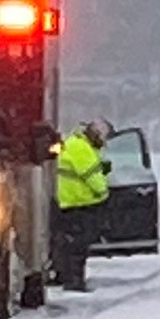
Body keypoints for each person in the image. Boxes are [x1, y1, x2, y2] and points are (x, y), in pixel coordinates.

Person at [51, 120, 111, 293]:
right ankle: (74, 282)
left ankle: (63, 276)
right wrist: (103, 194)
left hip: (66, 202)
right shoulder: (81, 148)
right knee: (78, 247)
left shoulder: (74, 143)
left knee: (66, 244)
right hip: (78, 203)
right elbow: (93, 178)